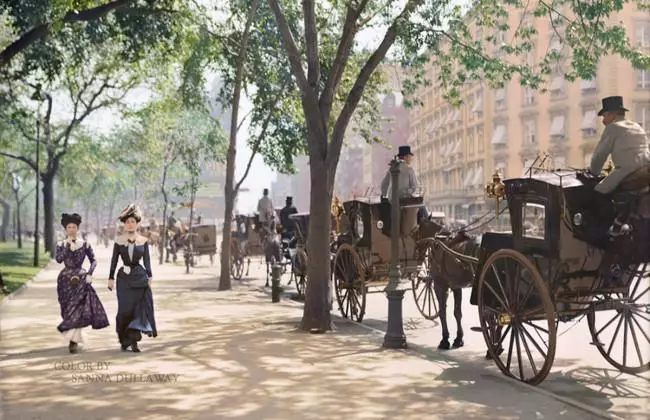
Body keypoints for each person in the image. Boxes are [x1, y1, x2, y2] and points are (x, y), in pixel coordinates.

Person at [55, 213, 109, 354]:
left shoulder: (85, 244)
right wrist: (67, 245)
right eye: (69, 227)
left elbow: (94, 260)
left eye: (74, 227)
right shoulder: (60, 244)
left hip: (80, 279)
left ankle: (73, 342)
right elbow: (59, 260)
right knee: (66, 309)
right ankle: (73, 334)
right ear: (65, 229)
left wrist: (90, 273)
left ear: (78, 228)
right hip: (65, 280)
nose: (71, 229)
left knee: (78, 309)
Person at [108, 204, 157, 352]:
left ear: (137, 224)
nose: (130, 224)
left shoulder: (143, 241)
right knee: (124, 310)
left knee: (138, 309)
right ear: (124, 224)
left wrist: (150, 276)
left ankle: (134, 341)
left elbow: (147, 261)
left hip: (139, 278)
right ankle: (124, 339)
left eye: (133, 222)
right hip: (123, 279)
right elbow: (114, 260)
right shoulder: (119, 240)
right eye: (127, 222)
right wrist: (111, 278)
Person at [589, 96, 650, 195]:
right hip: (645, 168)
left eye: (604, 116)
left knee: (598, 191)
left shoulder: (613, 127)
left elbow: (600, 155)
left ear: (612, 114)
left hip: (628, 171)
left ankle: (608, 210)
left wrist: (594, 171)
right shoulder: (636, 126)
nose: (603, 120)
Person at [379, 145, 428, 227]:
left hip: (391, 199)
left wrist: (384, 195)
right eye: (409, 156)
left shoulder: (391, 169)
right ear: (405, 157)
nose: (411, 158)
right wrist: (407, 192)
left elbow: (384, 184)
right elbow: (414, 186)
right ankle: (426, 222)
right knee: (421, 205)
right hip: (403, 199)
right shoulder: (409, 169)